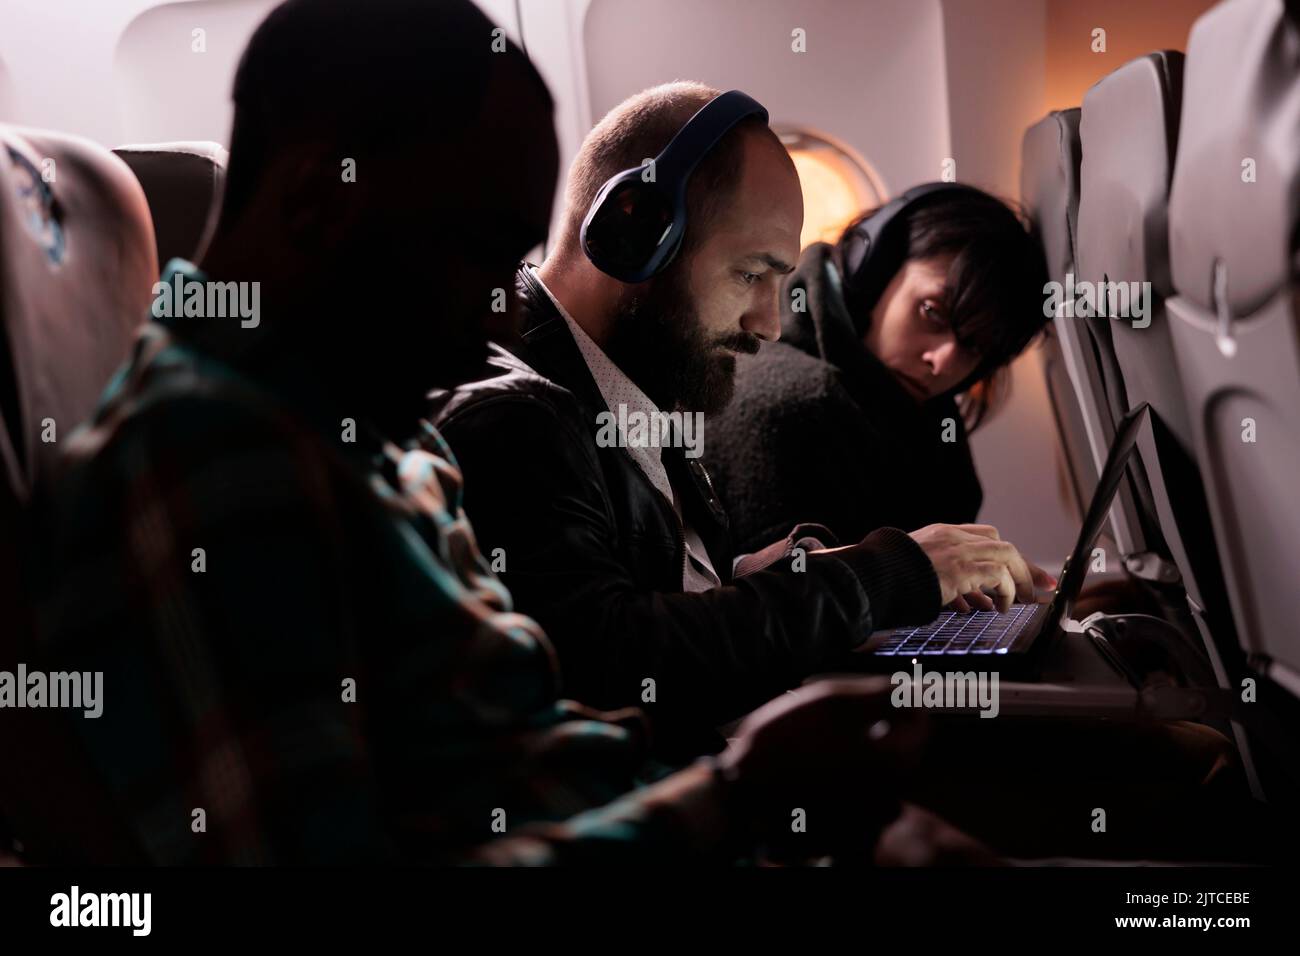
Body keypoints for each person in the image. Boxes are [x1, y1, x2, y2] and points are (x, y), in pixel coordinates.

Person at [27, 0, 983, 866]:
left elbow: (516, 745)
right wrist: (737, 798)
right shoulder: (220, 461)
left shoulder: (374, 432)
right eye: (480, 251)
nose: (500, 324)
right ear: (320, 199)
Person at [427, 83, 1054, 759]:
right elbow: (612, 662)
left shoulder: (635, 386)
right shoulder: (517, 418)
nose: (769, 324)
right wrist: (879, 577)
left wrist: (786, 571)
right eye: (751, 273)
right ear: (636, 233)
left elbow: (666, 592)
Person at [704, 183, 1050, 555]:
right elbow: (790, 602)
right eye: (931, 312)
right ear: (876, 271)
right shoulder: (786, 405)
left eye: (973, 346)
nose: (943, 361)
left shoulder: (918, 412)